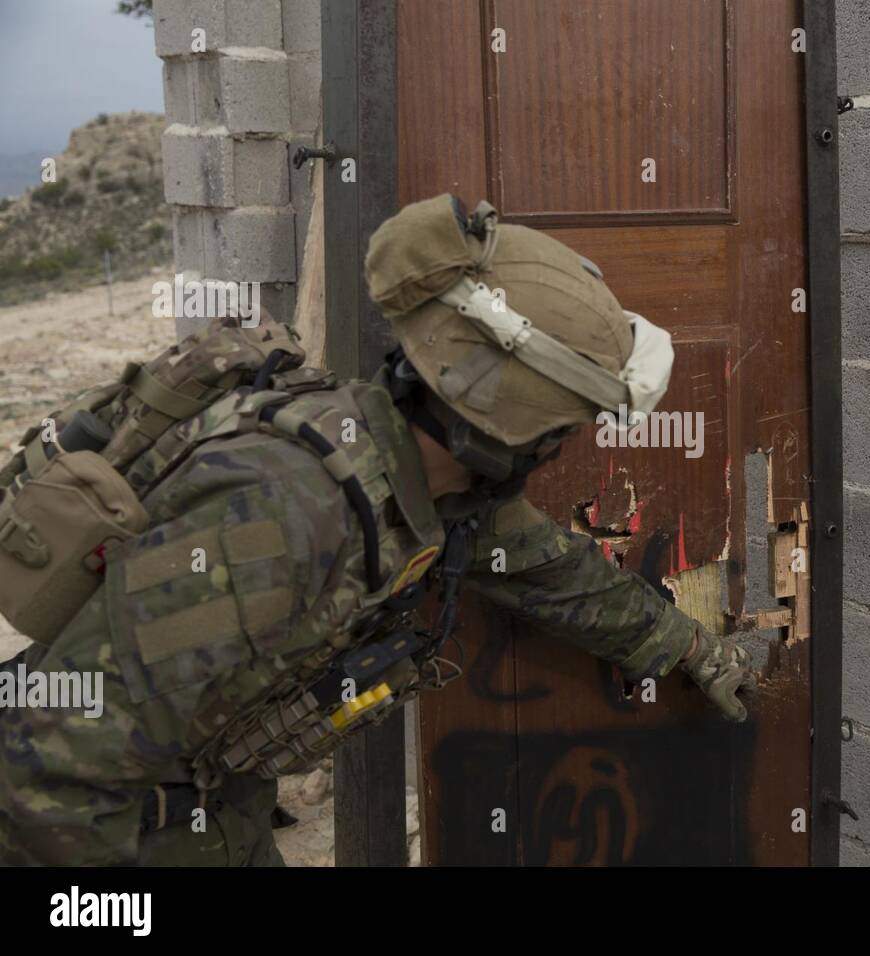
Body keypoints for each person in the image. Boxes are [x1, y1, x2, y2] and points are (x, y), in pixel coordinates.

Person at [0, 195, 755, 866]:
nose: (569, 444)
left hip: (215, 816)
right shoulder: (283, 516)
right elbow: (48, 768)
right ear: (519, 427)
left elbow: (559, 575)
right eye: (567, 426)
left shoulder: (431, 488)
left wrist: (694, 650)